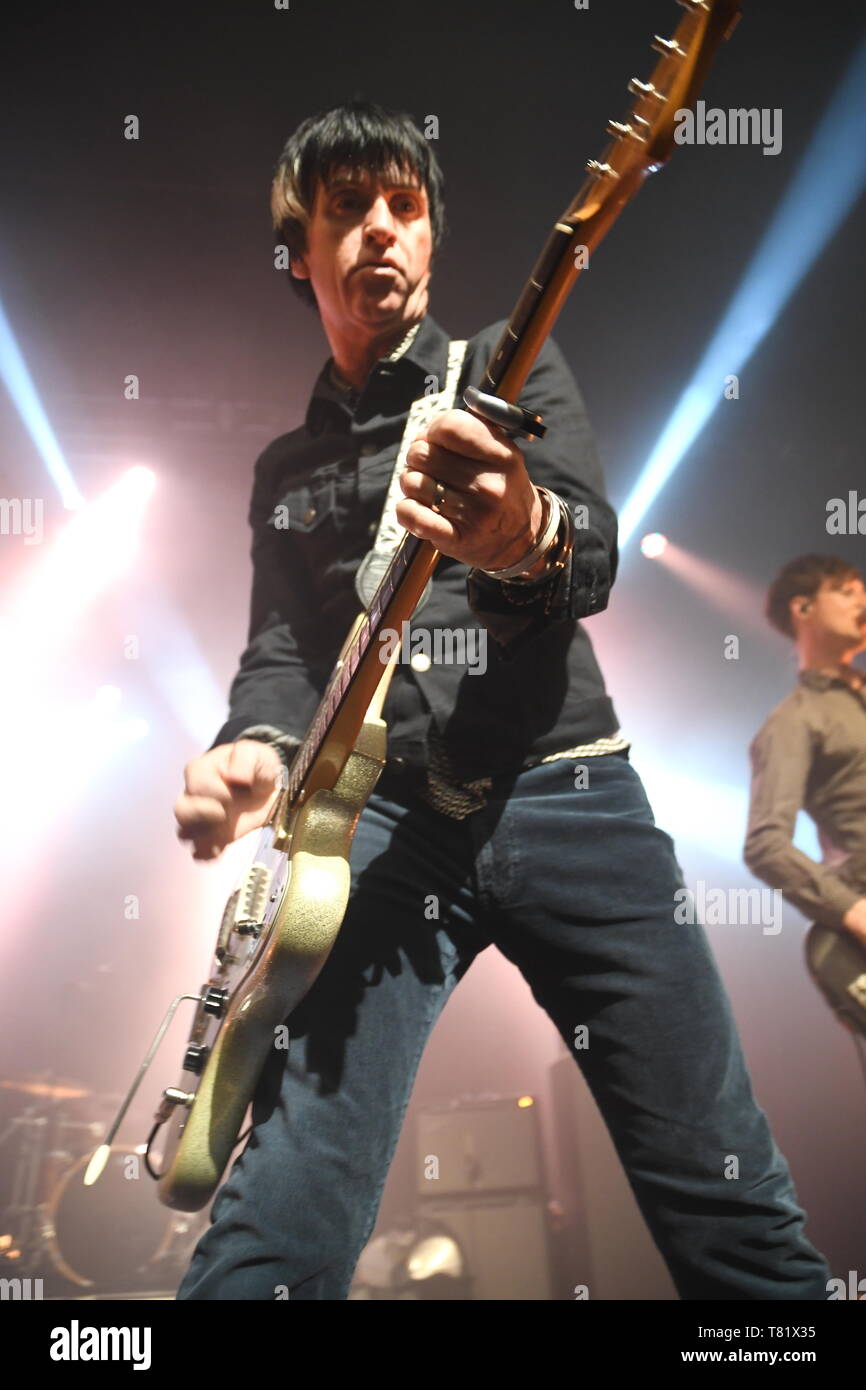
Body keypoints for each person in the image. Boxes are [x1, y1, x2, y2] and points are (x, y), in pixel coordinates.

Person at [173, 99, 832, 1300]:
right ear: (300, 250)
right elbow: (280, 650)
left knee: (724, 1199)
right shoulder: (287, 469)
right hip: (385, 826)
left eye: (404, 206)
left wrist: (518, 528)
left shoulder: (506, 368)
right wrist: (251, 750)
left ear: (429, 236)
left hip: (572, 790)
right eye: (346, 210)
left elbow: (587, 555)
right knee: (283, 1209)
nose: (381, 229)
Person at [744, 555, 866, 952]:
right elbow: (766, 846)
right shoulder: (793, 721)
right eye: (846, 593)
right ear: (803, 608)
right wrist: (850, 910)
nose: (860, 602)